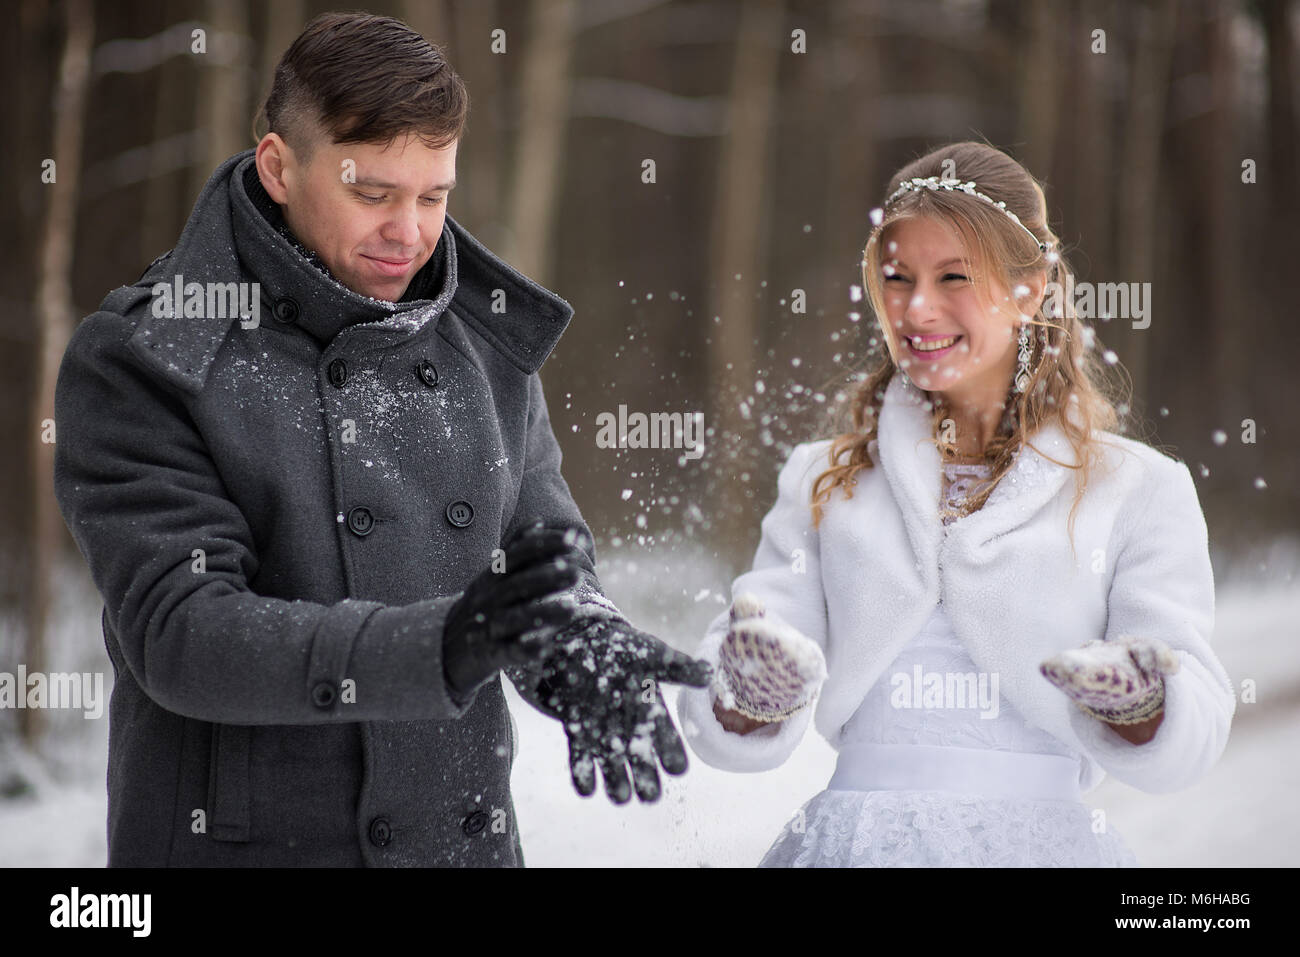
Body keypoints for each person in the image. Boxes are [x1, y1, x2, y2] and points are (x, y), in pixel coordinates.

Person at [52, 11, 710, 867]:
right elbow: (184, 633)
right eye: (373, 194)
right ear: (279, 167)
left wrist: (578, 639)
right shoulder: (153, 354)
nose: (410, 231)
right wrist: (438, 646)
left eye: (434, 196)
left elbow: (544, 559)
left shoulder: (485, 344)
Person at [676, 140, 1236, 867]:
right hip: (853, 848)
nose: (916, 307)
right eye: (898, 278)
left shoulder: (1138, 489)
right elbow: (748, 669)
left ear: (1029, 290)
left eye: (953, 277)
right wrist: (750, 690)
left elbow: (1194, 726)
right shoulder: (824, 479)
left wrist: (1144, 704)